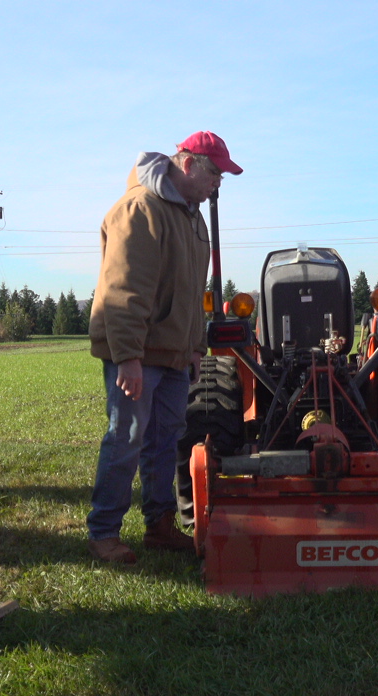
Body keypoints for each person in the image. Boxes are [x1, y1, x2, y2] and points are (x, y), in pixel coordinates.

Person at [85, 131, 242, 564]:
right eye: (215, 173)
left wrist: (195, 347)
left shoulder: (192, 218)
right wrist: (128, 358)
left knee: (165, 441)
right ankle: (103, 532)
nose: (218, 183)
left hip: (174, 356)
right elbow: (124, 292)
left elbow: (193, 295)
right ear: (188, 164)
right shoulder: (140, 209)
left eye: (223, 176)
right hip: (138, 356)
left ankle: (159, 524)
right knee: (127, 439)